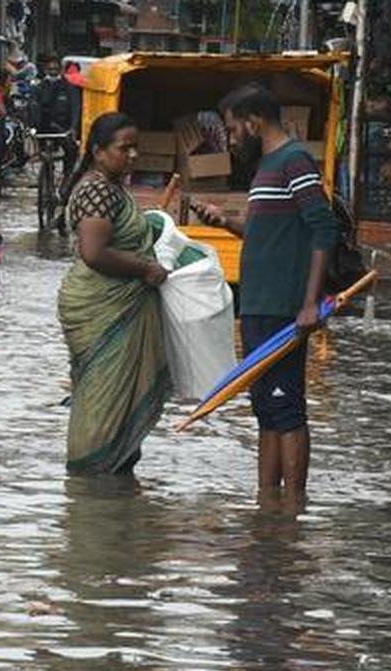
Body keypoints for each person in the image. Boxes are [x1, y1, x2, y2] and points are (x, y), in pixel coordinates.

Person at [197, 84, 337, 500]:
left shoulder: (294, 162)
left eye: (233, 129)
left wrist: (310, 303)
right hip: (259, 305)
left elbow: (323, 228)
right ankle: (268, 508)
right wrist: (225, 222)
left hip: (283, 308)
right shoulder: (267, 167)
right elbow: (265, 235)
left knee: (285, 407)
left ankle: (292, 510)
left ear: (254, 122)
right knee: (265, 408)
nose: (232, 137)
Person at [58, 112, 171, 475]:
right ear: (98, 151)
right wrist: (145, 269)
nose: (133, 156)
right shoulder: (97, 190)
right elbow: (94, 253)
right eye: (125, 148)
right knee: (101, 399)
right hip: (102, 306)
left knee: (107, 399)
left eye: (136, 148)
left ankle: (114, 491)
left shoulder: (110, 188)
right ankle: (92, 483)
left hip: (115, 305)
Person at [35, 54, 81, 172]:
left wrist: (73, 127)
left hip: (63, 129)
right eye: (50, 70)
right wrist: (31, 126)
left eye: (56, 69)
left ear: (60, 70)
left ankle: (67, 176)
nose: (53, 72)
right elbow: (33, 106)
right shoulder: (39, 88)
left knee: (71, 150)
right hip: (43, 129)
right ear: (45, 70)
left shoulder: (69, 88)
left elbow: (75, 107)